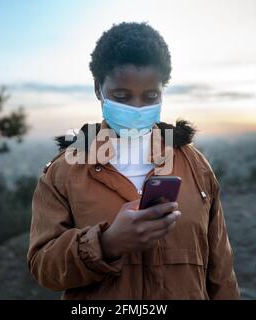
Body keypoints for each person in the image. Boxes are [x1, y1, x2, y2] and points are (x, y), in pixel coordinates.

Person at [27, 22, 240, 299]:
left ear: (163, 90)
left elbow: (221, 271)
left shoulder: (195, 166)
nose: (137, 108)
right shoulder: (65, 170)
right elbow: (43, 266)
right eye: (121, 96)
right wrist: (106, 243)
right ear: (98, 89)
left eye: (150, 96)